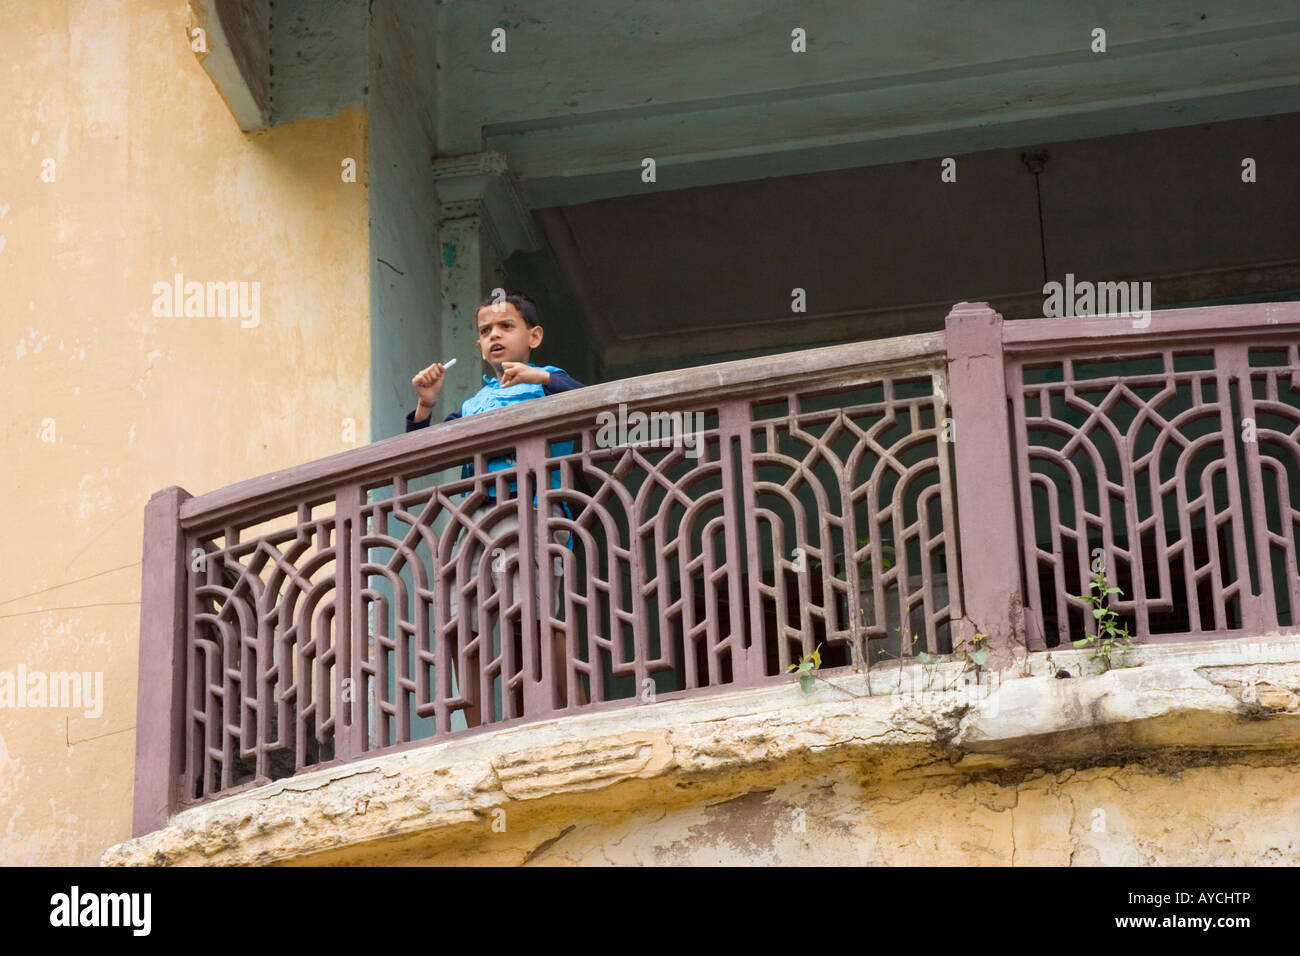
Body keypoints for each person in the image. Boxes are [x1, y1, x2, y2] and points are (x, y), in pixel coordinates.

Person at [406, 291, 586, 720]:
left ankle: (574, 710)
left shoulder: (549, 382)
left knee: (535, 614)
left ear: (534, 336)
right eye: (485, 331)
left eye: (506, 326)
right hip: (478, 524)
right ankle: (476, 724)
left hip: (535, 510)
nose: (494, 336)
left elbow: (590, 399)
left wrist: (538, 376)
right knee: (460, 620)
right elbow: (422, 451)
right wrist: (426, 404)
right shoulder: (473, 405)